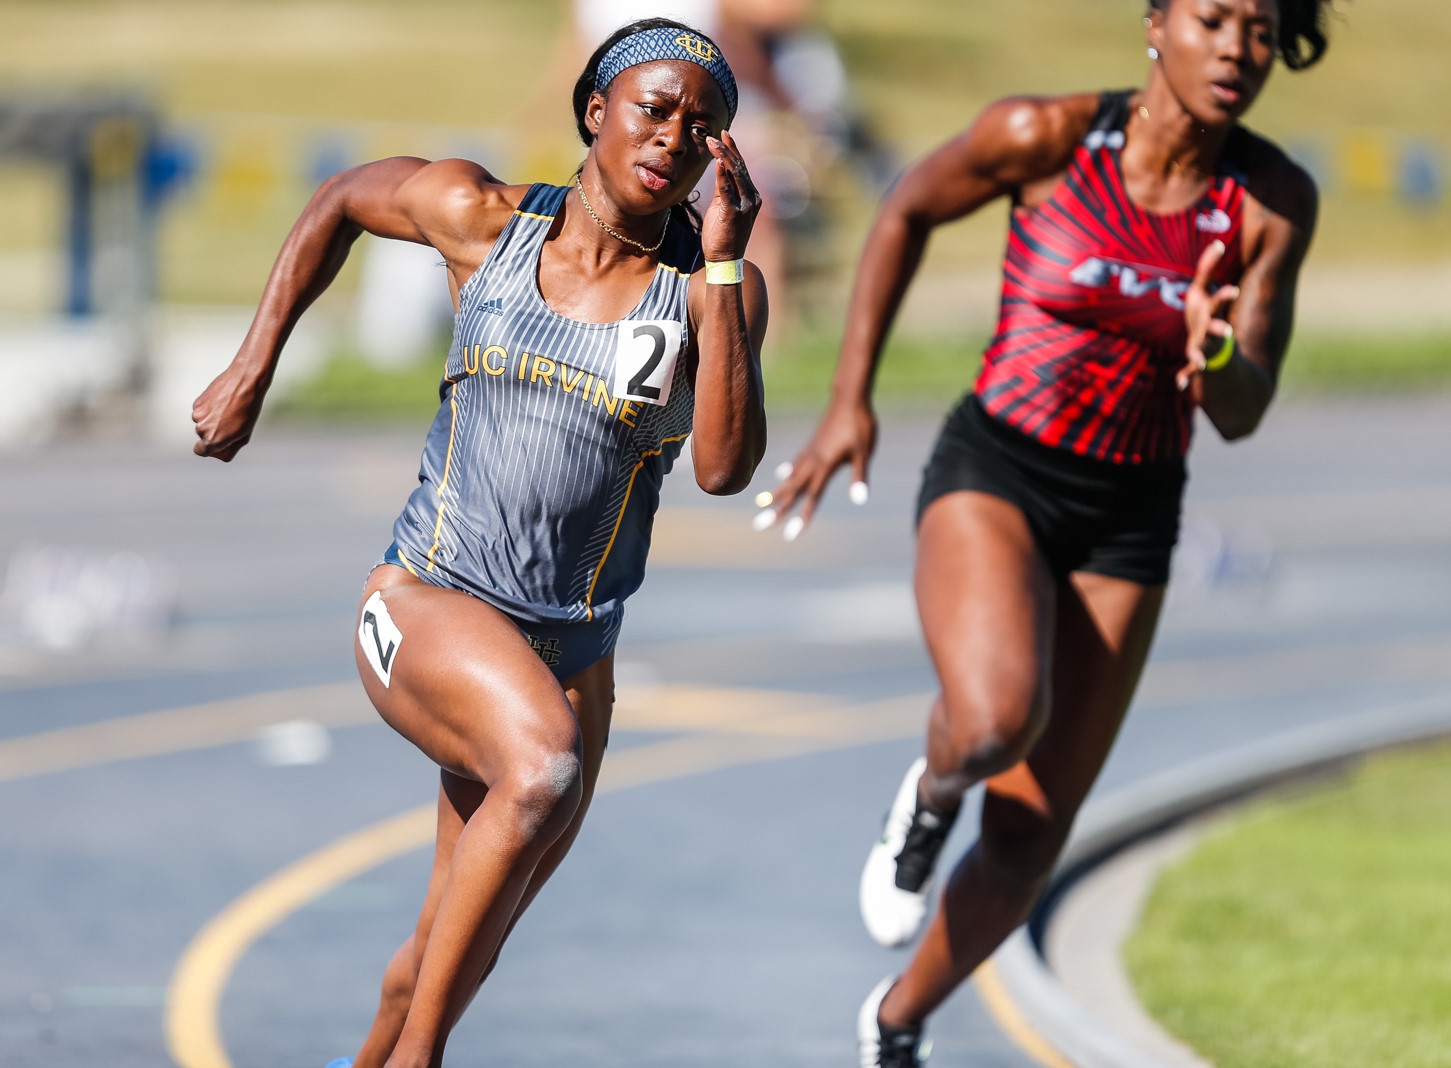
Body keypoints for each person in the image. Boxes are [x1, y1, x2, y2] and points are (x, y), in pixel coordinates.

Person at [756, 1, 1325, 1063]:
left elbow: (1244, 411)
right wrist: (850, 399)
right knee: (991, 721)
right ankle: (928, 799)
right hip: (1001, 469)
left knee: (1029, 838)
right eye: (1213, 18)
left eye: (1259, 29)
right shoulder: (1047, 138)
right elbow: (905, 212)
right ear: (1156, 23)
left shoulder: (1271, 202)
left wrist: (1213, 358)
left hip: (1132, 518)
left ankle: (896, 1024)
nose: (1238, 49)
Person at [194, 18, 766, 1066]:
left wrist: (725, 268)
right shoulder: (482, 218)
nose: (675, 137)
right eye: (655, 108)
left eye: (704, 126)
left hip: (572, 656)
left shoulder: (704, 294)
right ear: (596, 109)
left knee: (439, 957)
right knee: (538, 771)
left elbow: (725, 468)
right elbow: (337, 203)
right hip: (426, 603)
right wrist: (253, 366)